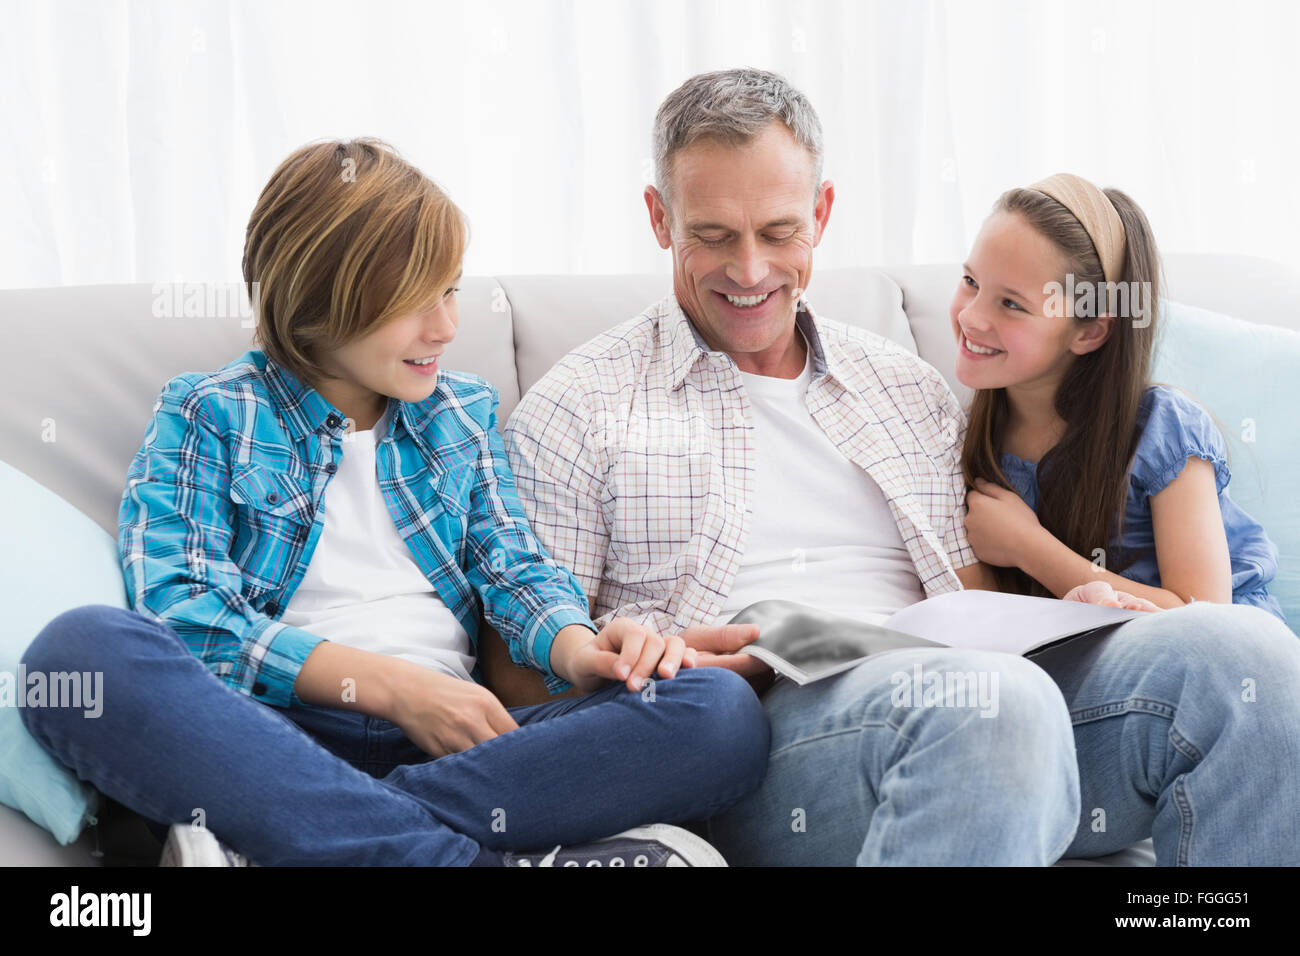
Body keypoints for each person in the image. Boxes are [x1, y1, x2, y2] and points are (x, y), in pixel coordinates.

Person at [504, 67, 1300, 866]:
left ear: (821, 213)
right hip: (759, 750)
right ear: (659, 217)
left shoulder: (905, 388)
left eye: (779, 232)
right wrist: (632, 654)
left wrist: (1069, 599)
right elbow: (519, 685)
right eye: (712, 235)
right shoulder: (580, 406)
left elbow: (976, 603)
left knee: (1243, 654)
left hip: (982, 717)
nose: (749, 272)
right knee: (989, 703)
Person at [18, 137, 768, 867]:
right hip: (270, 734)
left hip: (463, 748)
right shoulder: (209, 413)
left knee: (720, 716)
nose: (446, 327)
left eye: (450, 290)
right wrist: (396, 688)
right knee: (77, 657)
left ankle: (308, 836)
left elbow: (515, 568)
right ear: (316, 299)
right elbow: (184, 616)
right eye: (412, 301)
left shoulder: (460, 413)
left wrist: (581, 648)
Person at [953, 173, 1287, 625]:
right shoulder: (966, 434)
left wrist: (1028, 548)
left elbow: (1210, 623)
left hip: (1223, 662)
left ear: (1090, 331)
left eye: (1012, 304)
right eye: (971, 280)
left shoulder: (1163, 427)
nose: (971, 316)